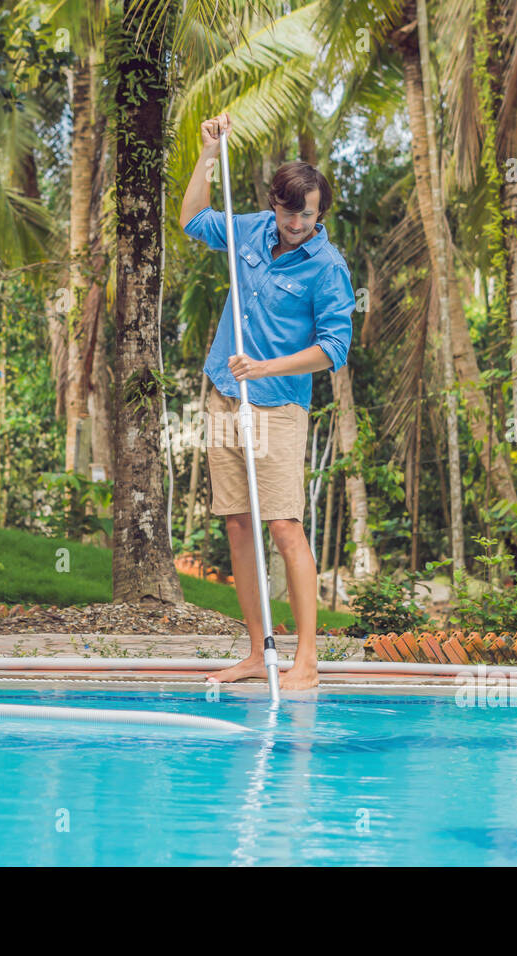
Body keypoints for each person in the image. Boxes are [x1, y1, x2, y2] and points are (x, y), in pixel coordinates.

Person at [178, 112, 355, 691]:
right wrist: (209, 154)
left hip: (277, 404)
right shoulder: (254, 230)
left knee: (283, 524)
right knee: (237, 523)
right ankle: (259, 651)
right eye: (289, 211)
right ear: (275, 205)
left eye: (308, 213)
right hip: (226, 396)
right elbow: (194, 220)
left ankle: (306, 659)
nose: (297, 222)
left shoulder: (327, 267)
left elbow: (334, 349)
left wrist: (267, 367)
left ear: (319, 213)